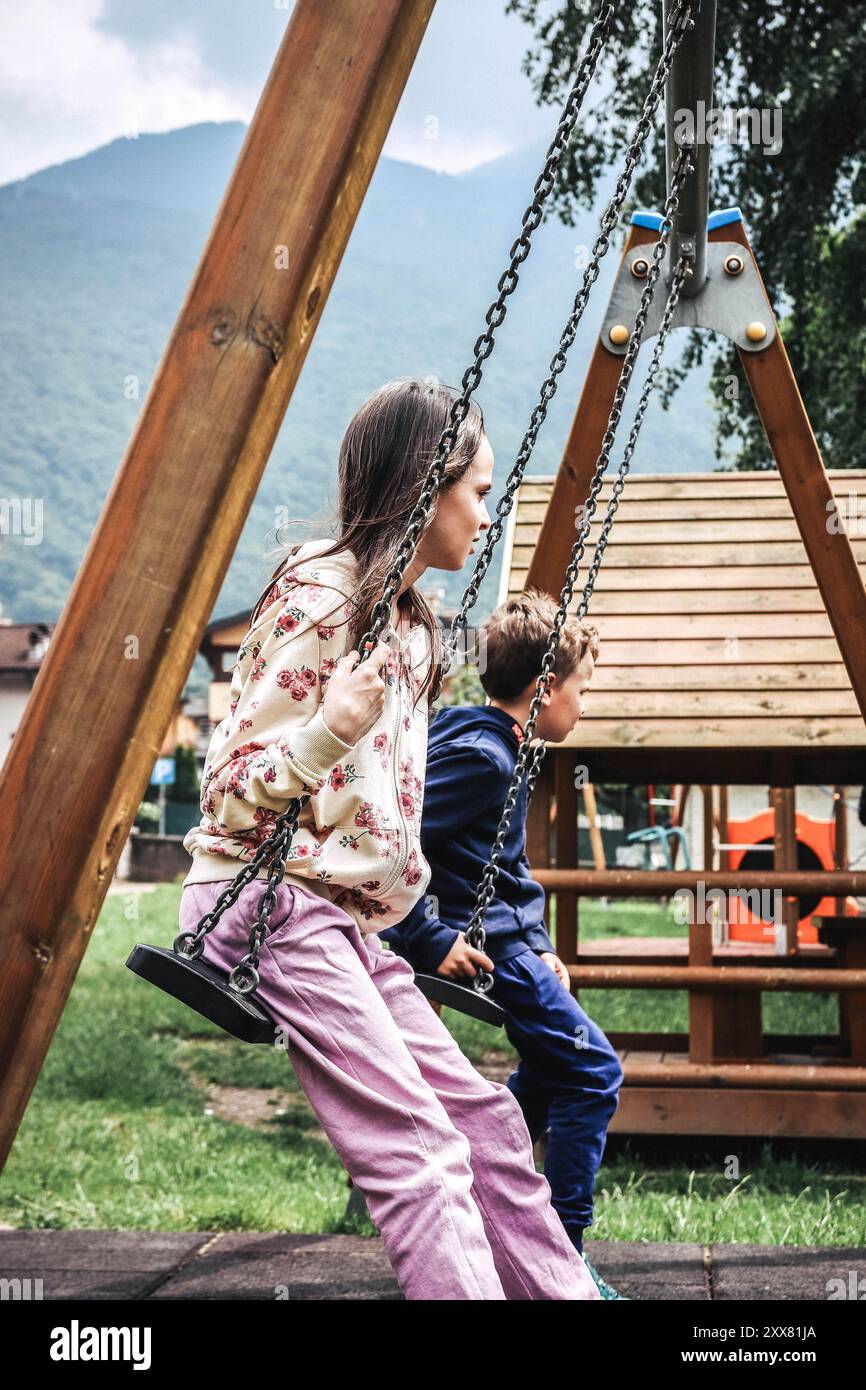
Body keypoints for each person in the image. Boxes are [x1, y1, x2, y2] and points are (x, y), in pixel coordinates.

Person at [178, 376, 602, 1301]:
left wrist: (441, 929)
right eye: (479, 492)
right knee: (422, 1149)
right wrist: (326, 729)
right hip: (264, 899)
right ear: (426, 484)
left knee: (487, 1123)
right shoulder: (322, 596)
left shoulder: (412, 627)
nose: (488, 517)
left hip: (345, 921)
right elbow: (225, 791)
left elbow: (381, 822)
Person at [380, 589, 627, 1298]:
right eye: (581, 689)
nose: (583, 704)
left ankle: (503, 1225)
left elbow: (507, 872)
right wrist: (427, 939)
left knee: (553, 1072)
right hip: (491, 952)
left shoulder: (499, 747)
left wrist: (543, 940)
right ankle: (563, 1257)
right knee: (594, 1074)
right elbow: (387, 846)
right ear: (545, 686)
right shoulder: (484, 759)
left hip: (514, 945)